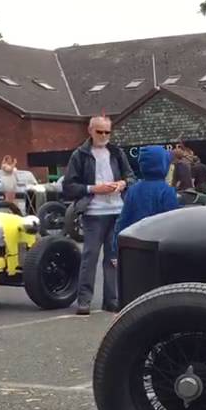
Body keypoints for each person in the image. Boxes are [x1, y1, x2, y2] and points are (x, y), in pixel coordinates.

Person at [62, 116, 135, 315]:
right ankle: (84, 300)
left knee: (113, 258)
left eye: (107, 132)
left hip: (117, 211)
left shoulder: (117, 152)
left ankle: (111, 300)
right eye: (99, 131)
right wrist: (94, 188)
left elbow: (130, 176)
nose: (104, 136)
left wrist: (122, 184)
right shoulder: (80, 154)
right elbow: (68, 186)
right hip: (93, 212)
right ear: (90, 131)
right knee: (90, 256)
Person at [111, 145, 178, 263]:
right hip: (160, 249)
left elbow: (123, 220)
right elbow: (172, 224)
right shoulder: (167, 191)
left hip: (136, 247)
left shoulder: (133, 190)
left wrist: (116, 249)